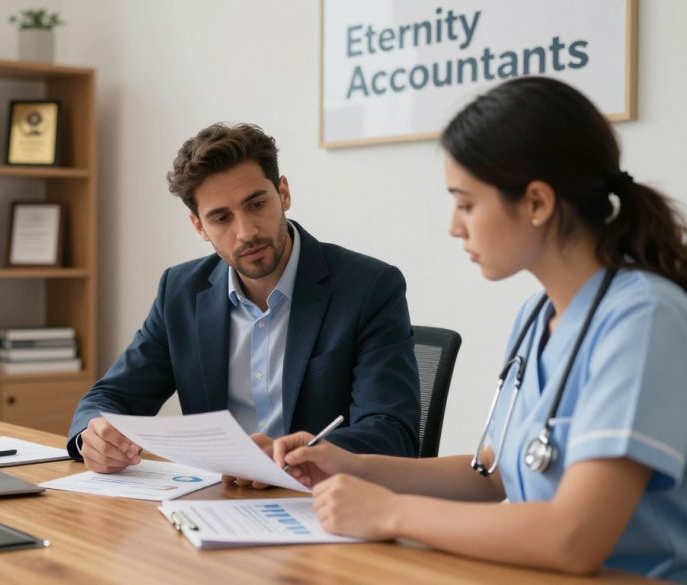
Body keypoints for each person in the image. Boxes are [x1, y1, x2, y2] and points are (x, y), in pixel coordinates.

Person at [274, 76, 687, 581]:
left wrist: (390, 512)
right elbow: (491, 476)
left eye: (466, 203)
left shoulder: (644, 319)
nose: (454, 226)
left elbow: (576, 537)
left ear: (537, 203)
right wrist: (350, 466)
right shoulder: (538, 317)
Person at [67, 122, 421, 482]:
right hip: (216, 505)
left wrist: (296, 455)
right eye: (221, 218)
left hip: (323, 502)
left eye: (257, 204)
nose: (246, 231)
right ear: (199, 226)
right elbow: (111, 396)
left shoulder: (368, 287)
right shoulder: (181, 291)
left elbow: (392, 432)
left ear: (283, 193)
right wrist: (92, 436)